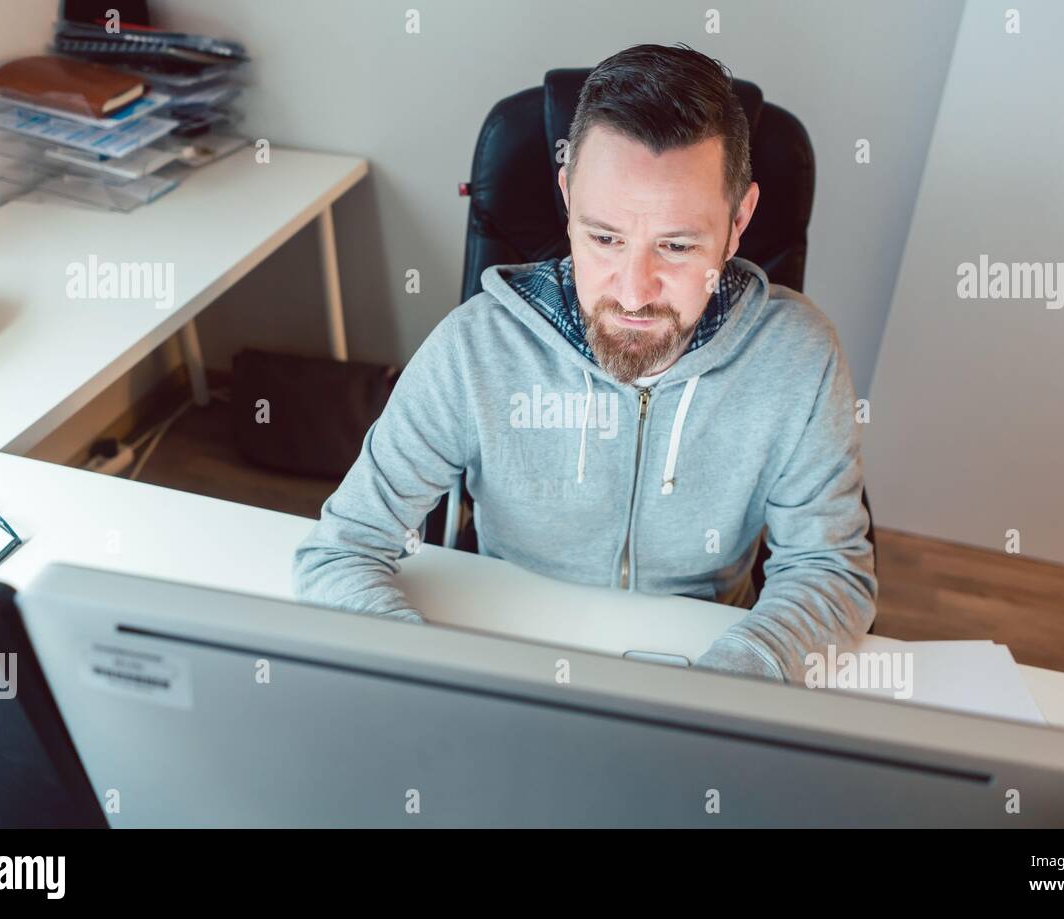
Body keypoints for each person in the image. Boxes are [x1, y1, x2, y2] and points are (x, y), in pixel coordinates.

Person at [293, 42, 876, 682]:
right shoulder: (474, 349)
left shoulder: (799, 358)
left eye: (676, 247)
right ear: (567, 196)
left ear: (738, 221)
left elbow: (830, 573)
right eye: (604, 238)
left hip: (705, 658)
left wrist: (724, 691)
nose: (633, 293)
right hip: (508, 652)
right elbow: (340, 551)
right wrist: (435, 683)